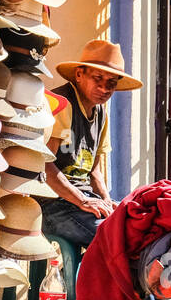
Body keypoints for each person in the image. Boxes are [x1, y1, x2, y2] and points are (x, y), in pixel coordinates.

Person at [42, 39, 141, 247]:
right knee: (115, 240)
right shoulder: (63, 103)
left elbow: (94, 170)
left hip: (83, 200)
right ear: (79, 74)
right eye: (98, 78)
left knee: (136, 228)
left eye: (111, 82)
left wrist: (106, 200)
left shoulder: (101, 113)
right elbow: (45, 166)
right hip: (53, 203)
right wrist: (83, 200)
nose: (104, 88)